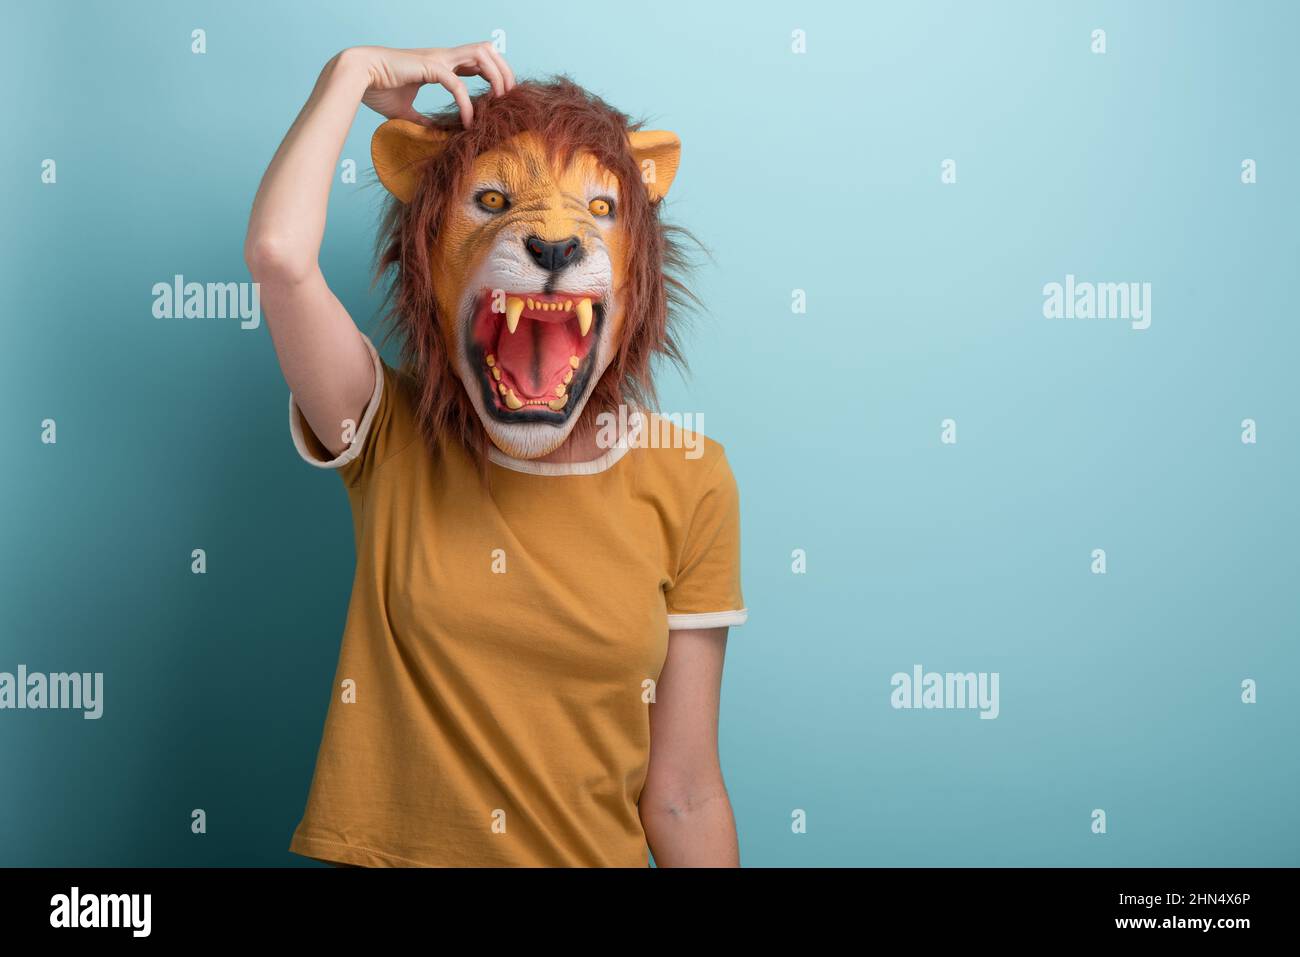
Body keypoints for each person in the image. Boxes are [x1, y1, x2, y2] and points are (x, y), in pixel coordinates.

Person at [244, 42, 746, 867]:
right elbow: (278, 258)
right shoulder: (388, 437)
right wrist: (350, 74)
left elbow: (684, 791)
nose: (552, 237)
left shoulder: (690, 478)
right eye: (492, 200)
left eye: (599, 208)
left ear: (637, 277)